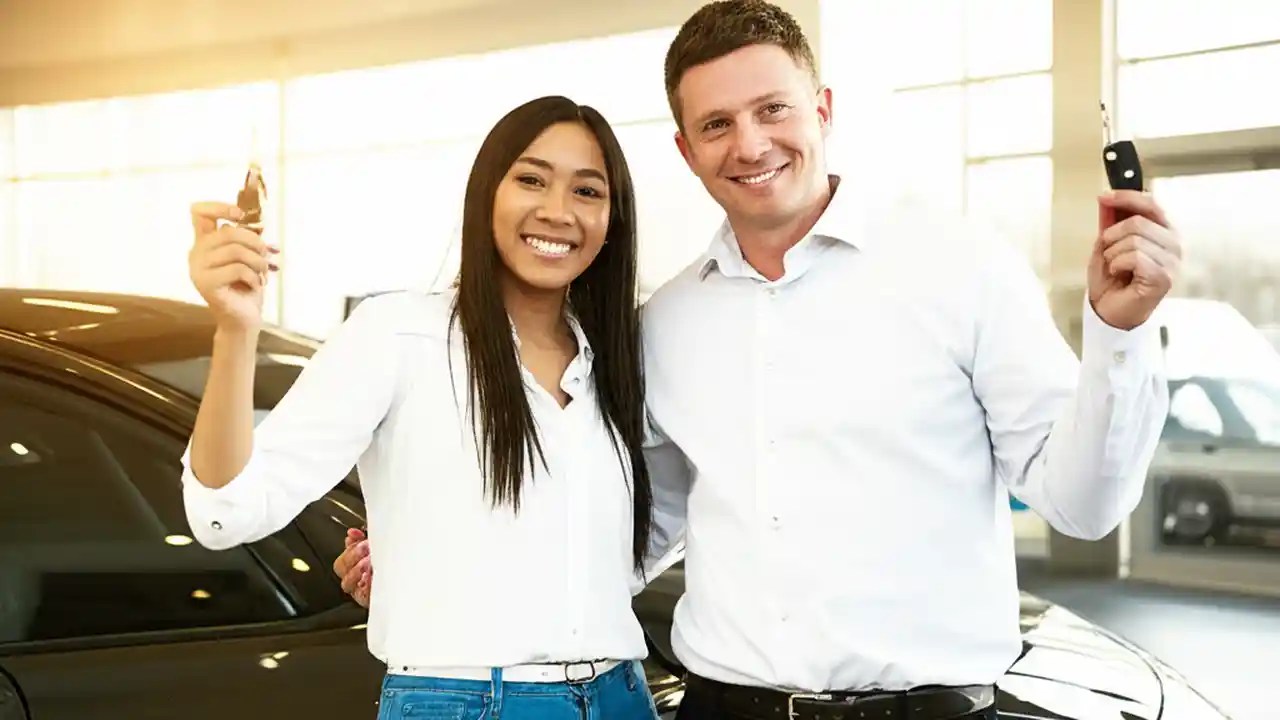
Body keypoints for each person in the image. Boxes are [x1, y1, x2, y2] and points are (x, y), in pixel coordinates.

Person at [335, 2, 1182, 719]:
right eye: (716, 124)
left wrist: (1119, 334)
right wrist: (430, 557)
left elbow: (1084, 505)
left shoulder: (960, 265)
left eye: (771, 110)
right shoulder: (666, 320)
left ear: (822, 109)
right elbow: (632, 531)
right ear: (684, 148)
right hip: (721, 706)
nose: (749, 144)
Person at [181, 95, 665, 720]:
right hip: (468, 701)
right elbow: (228, 510)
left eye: (588, 192)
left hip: (621, 697)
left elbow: (643, 538)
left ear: (613, 217)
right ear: (487, 192)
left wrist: (429, 556)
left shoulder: (618, 359)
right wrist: (235, 330)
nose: (557, 212)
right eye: (532, 180)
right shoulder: (400, 334)